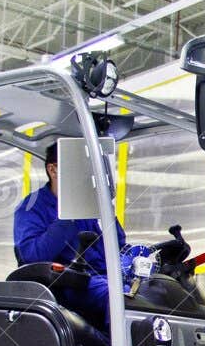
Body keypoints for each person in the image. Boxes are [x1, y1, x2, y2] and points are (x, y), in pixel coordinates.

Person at [13, 141, 146, 330]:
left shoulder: (92, 204)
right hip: (69, 285)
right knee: (116, 297)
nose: (86, 176)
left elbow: (118, 245)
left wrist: (105, 208)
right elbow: (32, 256)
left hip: (105, 278)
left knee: (154, 291)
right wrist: (69, 215)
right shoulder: (32, 207)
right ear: (53, 170)